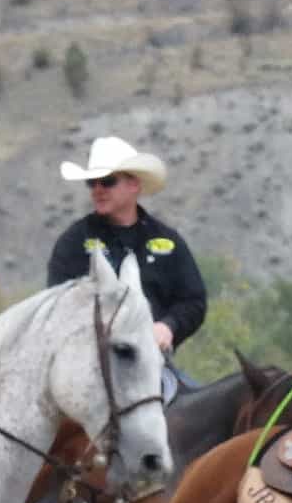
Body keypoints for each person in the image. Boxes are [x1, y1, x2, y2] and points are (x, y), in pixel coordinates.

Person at [47, 135, 207, 401]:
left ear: (134, 184)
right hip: (88, 372)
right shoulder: (74, 242)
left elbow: (194, 300)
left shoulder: (168, 241)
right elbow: (57, 305)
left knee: (202, 411)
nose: (97, 189)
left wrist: (169, 326)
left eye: (108, 181)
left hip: (154, 368)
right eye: (92, 182)